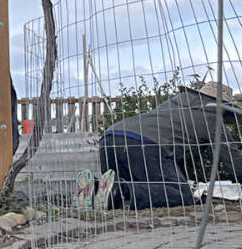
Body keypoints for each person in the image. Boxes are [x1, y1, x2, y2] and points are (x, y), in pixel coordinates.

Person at [99, 81, 242, 209]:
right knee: (182, 193)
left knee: (126, 189)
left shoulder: (175, 102)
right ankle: (118, 190)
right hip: (145, 144)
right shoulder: (212, 119)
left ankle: (94, 190)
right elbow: (233, 162)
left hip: (110, 137)